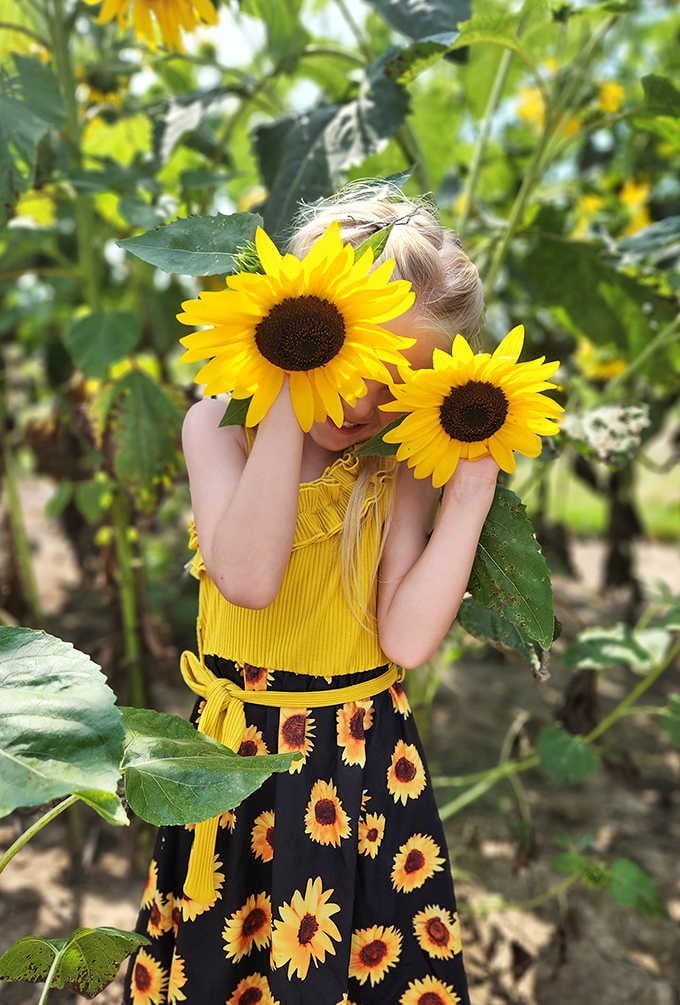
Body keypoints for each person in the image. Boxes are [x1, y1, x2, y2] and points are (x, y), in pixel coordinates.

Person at [123, 182, 499, 1005]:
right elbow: (250, 577)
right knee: (226, 963)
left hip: (359, 762)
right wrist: (293, 385)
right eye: (349, 358)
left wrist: (467, 498)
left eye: (398, 378)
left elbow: (404, 638)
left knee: (355, 965)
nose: (364, 400)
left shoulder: (395, 467)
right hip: (237, 759)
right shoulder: (219, 425)